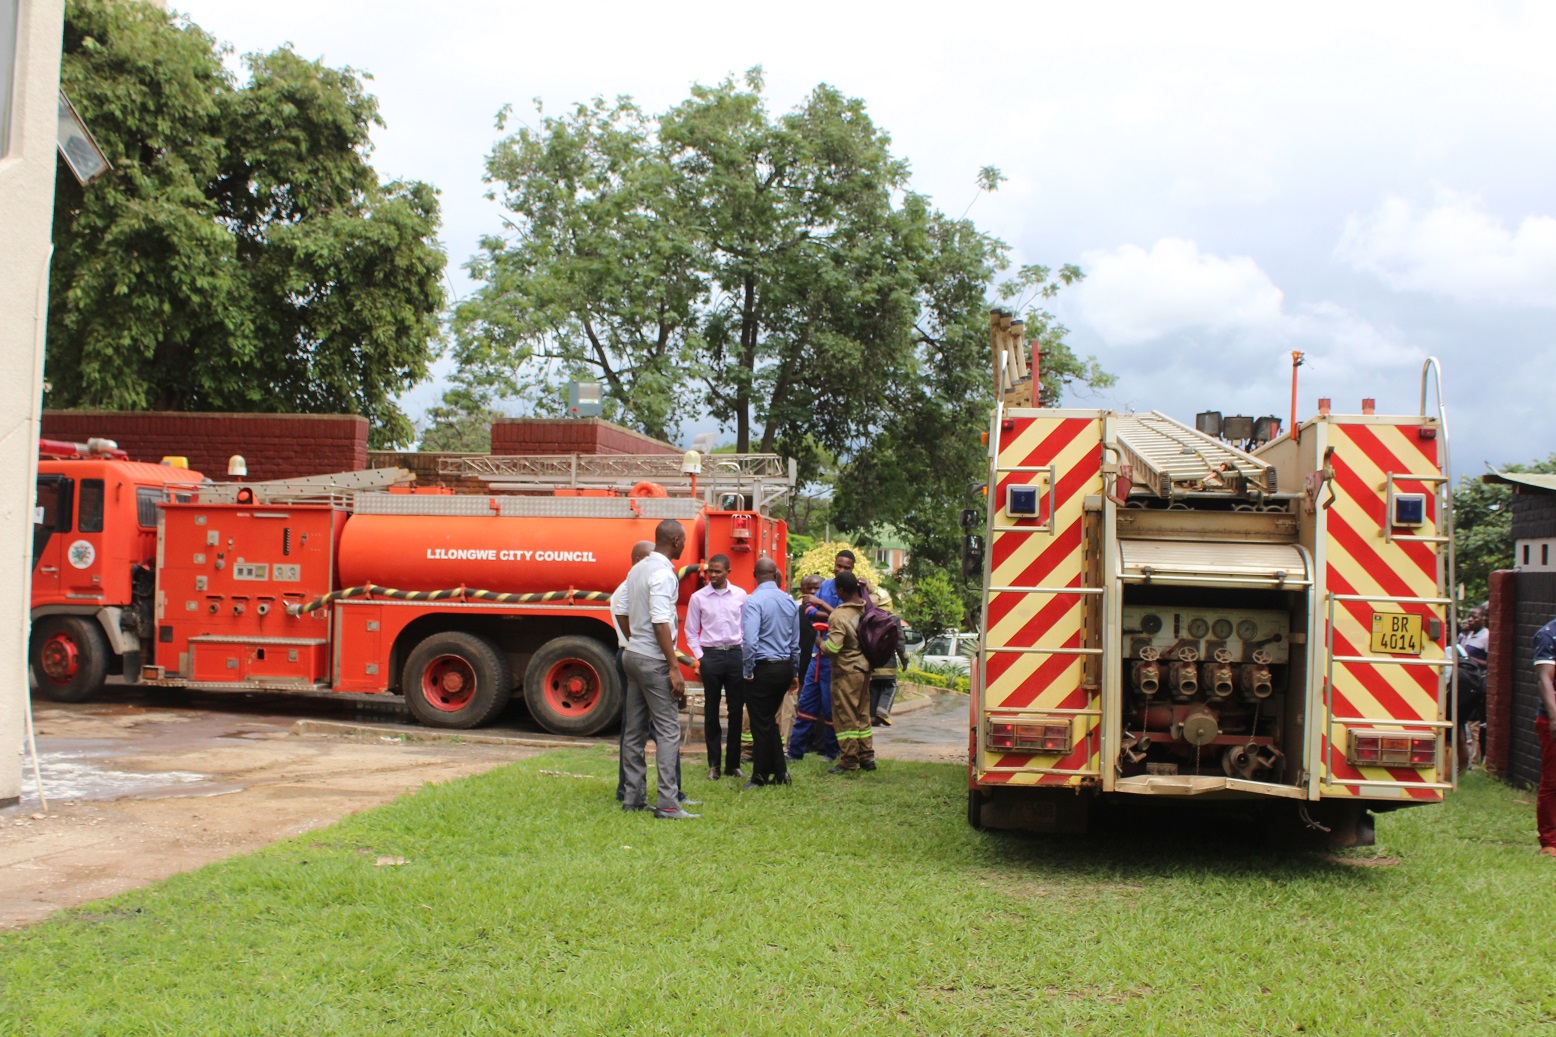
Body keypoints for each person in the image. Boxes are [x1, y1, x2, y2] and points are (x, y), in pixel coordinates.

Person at [619, 519, 698, 819]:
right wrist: (674, 667)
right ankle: (667, 803)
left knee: (634, 731)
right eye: (684, 540)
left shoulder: (637, 568)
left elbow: (622, 609)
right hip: (653, 660)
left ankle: (634, 797)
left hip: (632, 656)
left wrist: (634, 640)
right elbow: (660, 621)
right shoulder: (664, 574)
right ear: (677, 541)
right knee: (668, 731)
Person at [788, 552, 870, 761]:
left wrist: (821, 610)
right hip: (819, 655)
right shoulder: (826, 585)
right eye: (838, 566)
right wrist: (818, 612)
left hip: (837, 658)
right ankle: (795, 752)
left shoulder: (856, 589)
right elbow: (812, 612)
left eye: (846, 567)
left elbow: (844, 615)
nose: (841, 570)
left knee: (832, 709)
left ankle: (835, 753)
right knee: (806, 704)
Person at [685, 553, 749, 780]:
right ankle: (714, 765)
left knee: (735, 711)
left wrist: (745, 654)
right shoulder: (698, 598)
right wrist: (701, 656)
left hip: (735, 655)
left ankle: (732, 764)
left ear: (727, 572)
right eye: (710, 570)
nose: (712, 575)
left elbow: (747, 627)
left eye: (717, 571)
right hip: (711, 656)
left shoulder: (741, 595)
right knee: (711, 711)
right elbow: (691, 631)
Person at [740, 556, 800, 788]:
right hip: (784, 667)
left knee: (760, 723)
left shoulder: (754, 601)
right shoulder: (789, 601)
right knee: (769, 721)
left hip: (763, 668)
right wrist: (794, 671)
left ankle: (760, 776)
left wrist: (747, 671)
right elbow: (795, 643)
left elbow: (750, 642)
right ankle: (781, 773)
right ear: (775, 575)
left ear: (755, 575)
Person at [821, 570, 875, 773]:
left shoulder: (839, 615)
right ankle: (867, 758)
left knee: (846, 717)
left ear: (840, 590)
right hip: (864, 669)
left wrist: (819, 642)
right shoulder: (867, 607)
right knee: (862, 714)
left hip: (846, 672)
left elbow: (833, 648)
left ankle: (849, 761)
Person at [781, 574, 824, 744]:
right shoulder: (794, 612)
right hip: (800, 667)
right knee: (800, 705)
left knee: (822, 705)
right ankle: (801, 741)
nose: (812, 592)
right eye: (809, 588)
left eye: (816, 588)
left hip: (823, 666)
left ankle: (820, 743)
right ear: (801, 590)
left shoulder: (827, 611)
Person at [1530, 617, 1556, 857]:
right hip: (1552, 718)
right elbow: (1544, 678)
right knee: (1553, 781)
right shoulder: (1549, 634)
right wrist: (1554, 717)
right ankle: (1550, 842)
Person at [868, 588, 910, 726]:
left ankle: (873, 716)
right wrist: (905, 661)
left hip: (872, 663)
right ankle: (883, 710)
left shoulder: (869, 618)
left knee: (874, 688)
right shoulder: (893, 619)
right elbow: (899, 642)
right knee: (889, 686)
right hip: (888, 663)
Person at [1457, 604, 1489, 767]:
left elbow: (1489, 663)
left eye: (1475, 617)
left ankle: (1476, 760)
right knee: (1467, 723)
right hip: (1464, 685)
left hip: (1478, 684)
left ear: (1484, 618)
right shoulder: (1467, 636)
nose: (1471, 619)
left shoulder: (1486, 637)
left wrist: (1468, 658)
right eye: (1469, 616)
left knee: (1476, 725)